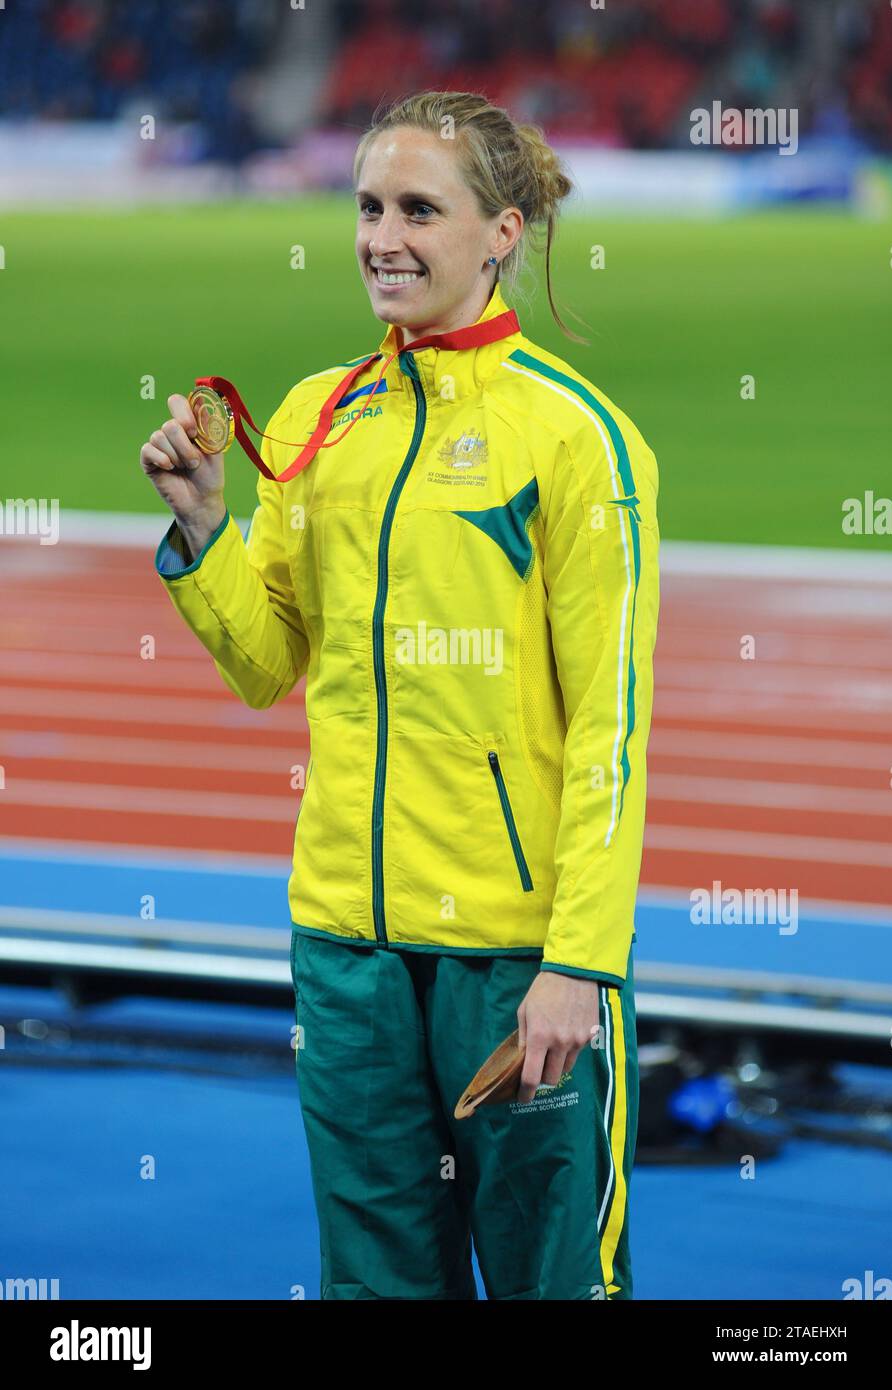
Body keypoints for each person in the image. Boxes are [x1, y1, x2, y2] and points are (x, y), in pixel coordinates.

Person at [140, 90, 660, 1301]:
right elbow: (270, 662)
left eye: (421, 210)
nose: (383, 237)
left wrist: (578, 962)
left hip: (515, 960)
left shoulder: (579, 439)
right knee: (374, 1283)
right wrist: (209, 527)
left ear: (502, 235)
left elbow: (612, 730)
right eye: (369, 206)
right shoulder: (324, 418)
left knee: (553, 1285)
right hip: (348, 952)